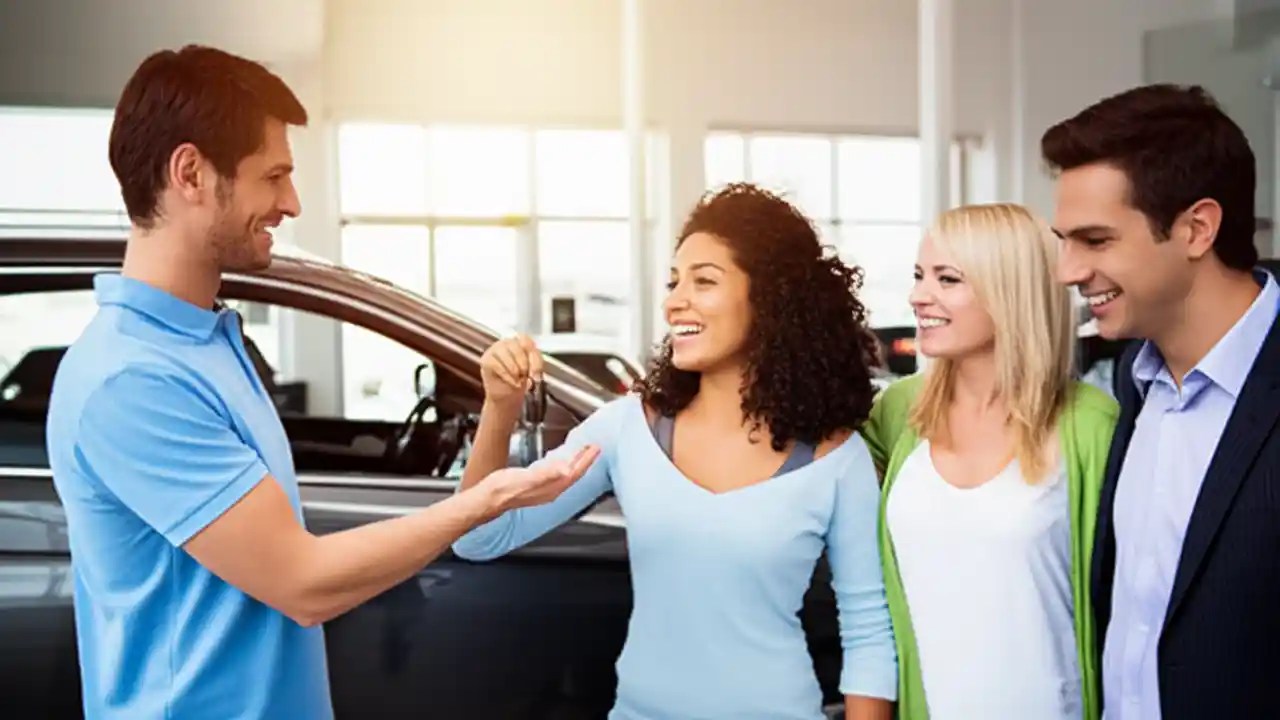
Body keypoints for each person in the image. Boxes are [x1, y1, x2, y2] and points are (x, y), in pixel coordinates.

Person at [43, 45, 595, 720]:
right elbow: (302, 583)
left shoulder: (205, 341)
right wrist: (476, 506)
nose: (292, 202)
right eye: (273, 176)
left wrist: (495, 418)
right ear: (191, 172)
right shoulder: (130, 379)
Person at [452, 183, 897, 719]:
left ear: (774, 299)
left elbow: (868, 630)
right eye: (673, 282)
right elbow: (478, 537)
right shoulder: (627, 429)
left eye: (703, 281)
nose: (674, 301)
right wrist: (499, 408)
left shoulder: (835, 459)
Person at [1043, 83, 1280, 720]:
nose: (1067, 270)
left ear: (1196, 229)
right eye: (1064, 240)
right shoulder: (1131, 382)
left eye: (1095, 241)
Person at [862, 203, 1118, 720]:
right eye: (918, 276)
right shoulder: (898, 412)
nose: (918, 295)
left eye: (947, 278)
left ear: (1011, 291)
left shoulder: (1093, 424)